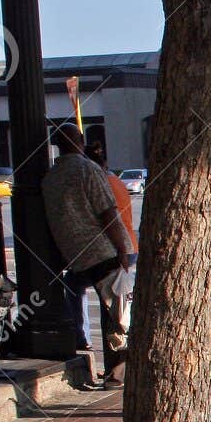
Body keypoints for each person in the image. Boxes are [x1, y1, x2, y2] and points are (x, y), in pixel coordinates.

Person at [41, 126, 133, 388]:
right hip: (104, 252)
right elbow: (107, 213)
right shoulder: (87, 169)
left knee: (85, 303)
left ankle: (81, 341)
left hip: (74, 254)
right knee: (119, 316)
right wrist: (122, 250)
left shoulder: (51, 177)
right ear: (79, 142)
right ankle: (116, 374)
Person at [86, 138, 138, 384]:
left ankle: (117, 373)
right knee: (120, 311)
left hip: (117, 251)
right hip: (128, 247)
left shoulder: (99, 185)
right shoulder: (116, 181)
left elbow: (109, 219)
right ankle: (117, 371)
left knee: (115, 315)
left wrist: (119, 252)